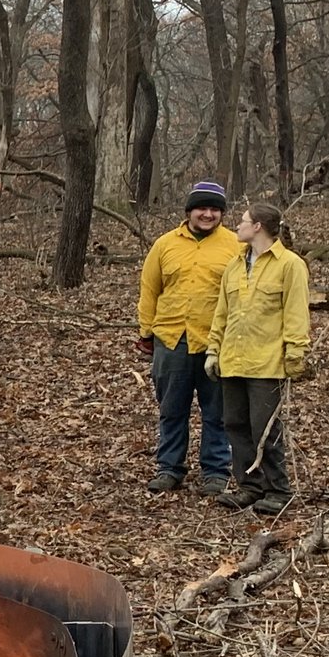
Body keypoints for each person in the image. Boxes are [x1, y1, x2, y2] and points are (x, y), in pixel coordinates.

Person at [135, 180, 241, 494]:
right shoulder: (165, 244)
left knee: (218, 411)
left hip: (217, 340)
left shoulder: (236, 245)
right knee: (171, 409)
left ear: (221, 213)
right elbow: (149, 289)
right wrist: (146, 332)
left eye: (214, 209)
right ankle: (169, 468)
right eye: (201, 208)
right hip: (171, 338)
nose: (207, 214)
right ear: (189, 211)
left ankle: (216, 472)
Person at [205, 204, 311, 516]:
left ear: (259, 227)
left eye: (243, 221)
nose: (237, 226)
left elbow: (295, 314)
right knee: (235, 425)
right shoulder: (234, 266)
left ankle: (278, 490)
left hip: (267, 363)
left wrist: (296, 354)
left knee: (264, 429)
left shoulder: (290, 265)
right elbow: (222, 313)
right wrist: (214, 350)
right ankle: (249, 486)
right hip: (233, 361)